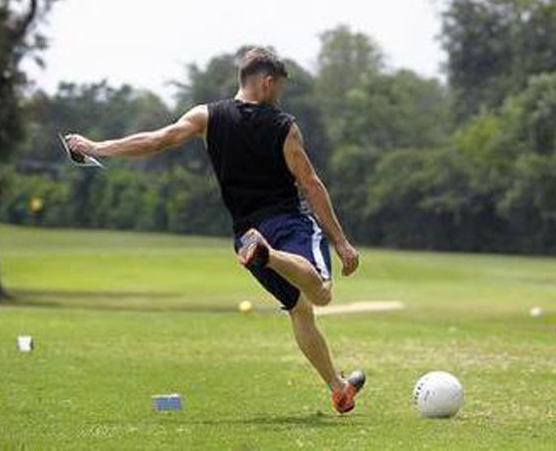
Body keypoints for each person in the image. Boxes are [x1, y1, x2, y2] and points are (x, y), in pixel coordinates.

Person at [64, 47, 365, 414]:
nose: (279, 98)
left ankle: (338, 388)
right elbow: (311, 184)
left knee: (299, 309)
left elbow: (156, 140)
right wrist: (342, 242)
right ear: (267, 83)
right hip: (288, 222)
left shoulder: (207, 116)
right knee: (320, 293)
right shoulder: (283, 126)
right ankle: (269, 254)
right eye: (279, 89)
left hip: (244, 234)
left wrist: (96, 147)